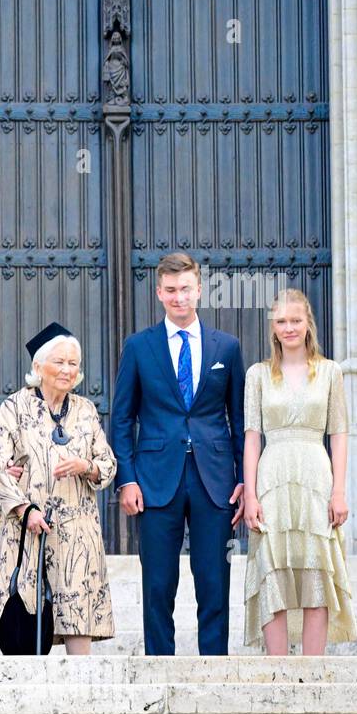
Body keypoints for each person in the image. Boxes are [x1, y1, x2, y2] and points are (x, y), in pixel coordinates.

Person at [110, 251, 246, 656]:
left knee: (213, 579)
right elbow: (122, 419)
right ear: (159, 293)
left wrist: (243, 480)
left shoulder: (228, 347)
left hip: (215, 479)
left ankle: (214, 669)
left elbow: (239, 420)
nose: (179, 297)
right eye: (171, 290)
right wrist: (127, 479)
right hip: (154, 480)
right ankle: (158, 667)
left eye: (186, 289)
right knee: (157, 582)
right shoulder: (138, 347)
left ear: (199, 290)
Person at [0, 323, 117, 653]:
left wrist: (87, 467)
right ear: (38, 367)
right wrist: (24, 510)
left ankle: (80, 699)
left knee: (78, 617)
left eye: (73, 364)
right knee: (26, 625)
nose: (67, 370)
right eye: (59, 362)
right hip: (24, 533)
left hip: (77, 536)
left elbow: (108, 464)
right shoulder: (14, 407)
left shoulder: (85, 410)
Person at [242, 289, 356, 654]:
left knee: (315, 569)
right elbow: (252, 438)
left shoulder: (330, 372)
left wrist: (339, 491)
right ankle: (278, 670)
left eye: (295, 320)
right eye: (281, 322)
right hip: (272, 476)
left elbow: (338, 433)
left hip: (315, 477)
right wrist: (250, 494)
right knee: (272, 568)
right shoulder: (257, 375)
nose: (289, 328)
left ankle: (312, 671)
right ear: (272, 328)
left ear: (308, 324)